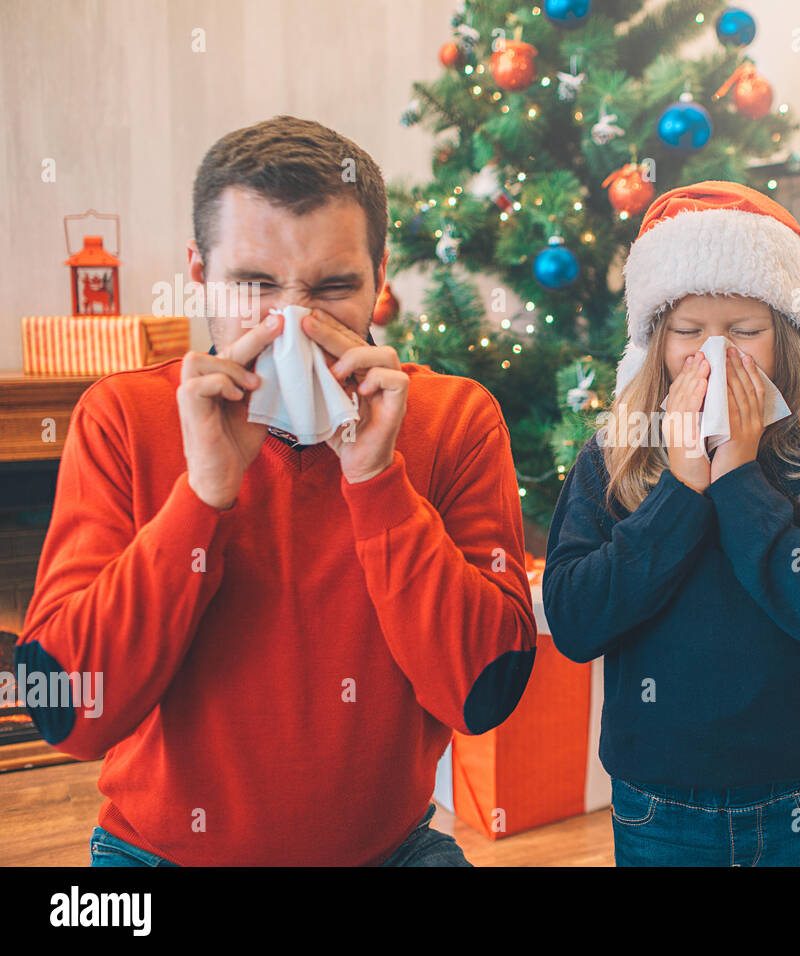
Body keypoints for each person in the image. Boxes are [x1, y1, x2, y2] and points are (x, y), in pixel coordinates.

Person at [17, 115, 537, 866]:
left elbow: (483, 694)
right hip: (160, 855)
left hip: (389, 850)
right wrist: (202, 498)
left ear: (381, 279)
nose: (294, 324)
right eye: (253, 286)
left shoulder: (453, 419)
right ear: (198, 275)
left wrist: (376, 481)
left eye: (332, 288)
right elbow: (70, 714)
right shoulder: (124, 417)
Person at [543, 181, 800, 866]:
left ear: (785, 340)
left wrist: (737, 483)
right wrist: (680, 491)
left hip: (793, 796)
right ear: (655, 340)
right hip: (656, 801)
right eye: (689, 331)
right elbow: (577, 622)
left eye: (745, 331)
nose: (715, 353)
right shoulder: (614, 457)